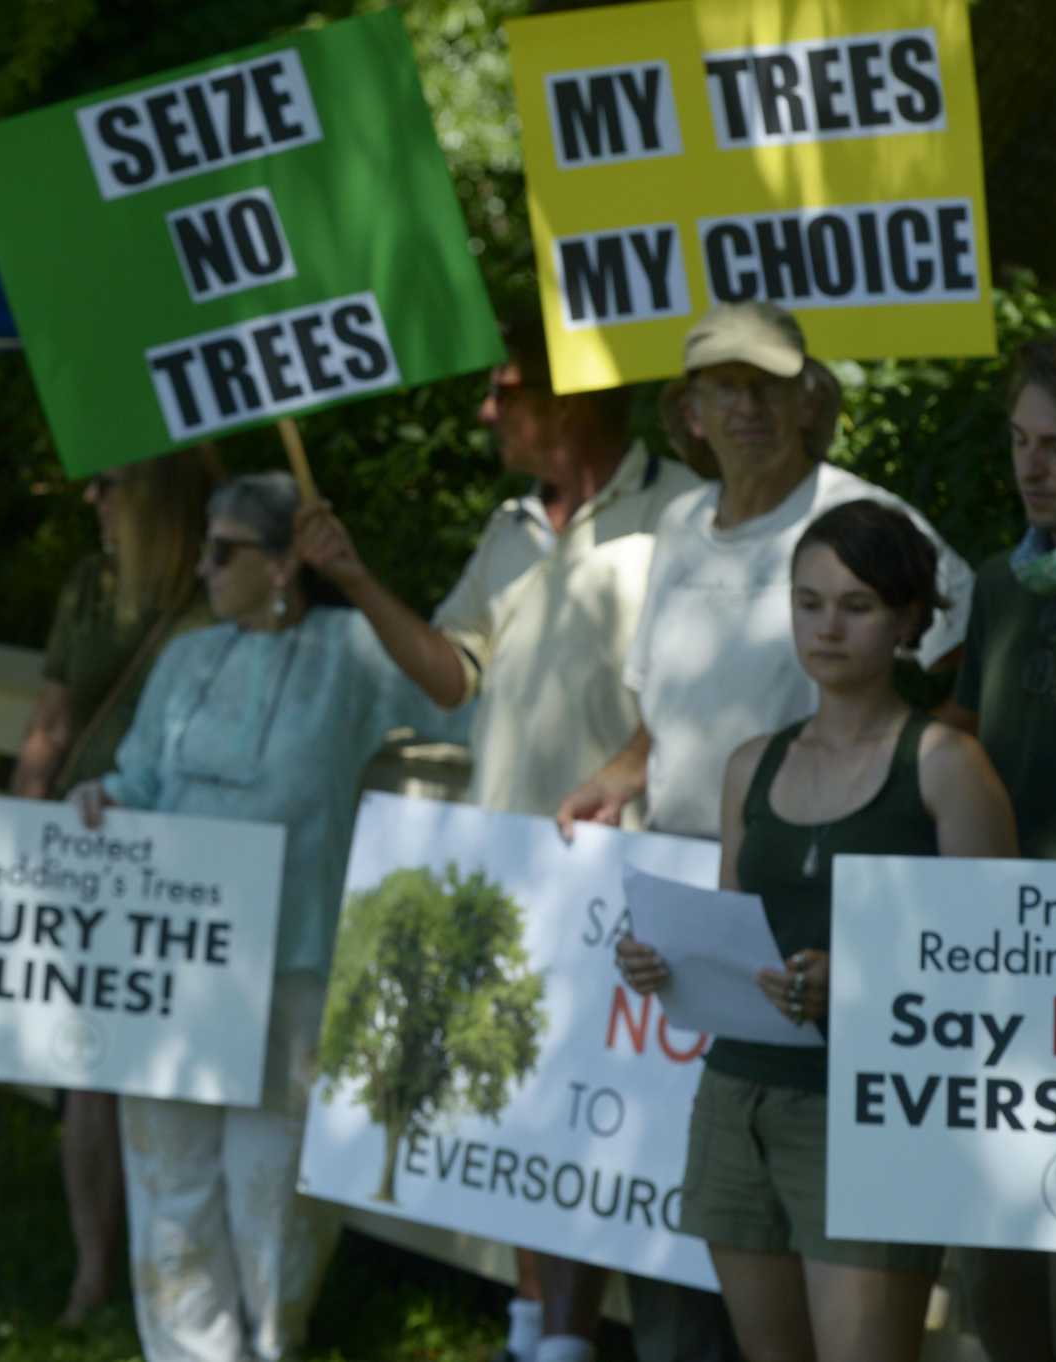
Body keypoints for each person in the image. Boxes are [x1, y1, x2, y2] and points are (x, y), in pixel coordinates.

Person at [556, 302, 975, 1362]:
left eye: (764, 384)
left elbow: (950, 695)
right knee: (697, 1249)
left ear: (808, 396)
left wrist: (876, 857)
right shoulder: (677, 530)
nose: (743, 407)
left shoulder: (866, 519)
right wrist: (618, 773)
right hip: (708, 935)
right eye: (719, 387)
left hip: (840, 951)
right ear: (685, 410)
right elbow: (666, 714)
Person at [296, 311, 704, 1362]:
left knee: (611, 1122)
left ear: (571, 395)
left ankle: (575, 1336)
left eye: (505, 389)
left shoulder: (683, 512)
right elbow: (449, 673)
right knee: (526, 1106)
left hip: (638, 865)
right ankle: (537, 1331)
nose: (486, 411)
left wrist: (629, 773)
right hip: (514, 864)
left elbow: (712, 687)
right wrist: (351, 577)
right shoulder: (509, 525)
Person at [615, 500, 1016, 1362]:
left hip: (875, 1109)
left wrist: (866, 985)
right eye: (808, 601)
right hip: (736, 1097)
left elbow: (1001, 968)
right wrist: (663, 962)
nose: (827, 627)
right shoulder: (750, 765)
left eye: (857, 605)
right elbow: (731, 941)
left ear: (910, 618)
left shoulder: (945, 764)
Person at [68, 471, 449, 1362]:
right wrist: (105, 800)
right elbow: (143, 779)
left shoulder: (350, 653)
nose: (202, 567)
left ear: (283, 563)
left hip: (293, 963)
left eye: (224, 550)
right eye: (205, 546)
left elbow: (450, 693)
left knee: (272, 1189)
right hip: (175, 965)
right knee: (169, 1181)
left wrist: (353, 578)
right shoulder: (187, 657)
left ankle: (270, 1346)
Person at [939, 327, 1056, 1362]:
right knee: (997, 1285)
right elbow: (959, 746)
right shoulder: (994, 586)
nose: (1028, 468)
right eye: (1016, 441)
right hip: (993, 982)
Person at [10, 449, 218, 1327]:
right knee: (87, 1067)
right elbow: (52, 719)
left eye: (110, 481)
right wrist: (23, 822)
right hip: (86, 850)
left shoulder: (216, 585)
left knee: (171, 1070)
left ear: (161, 497)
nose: (92, 496)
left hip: (184, 855)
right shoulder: (91, 586)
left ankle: (175, 1278)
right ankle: (94, 1270)